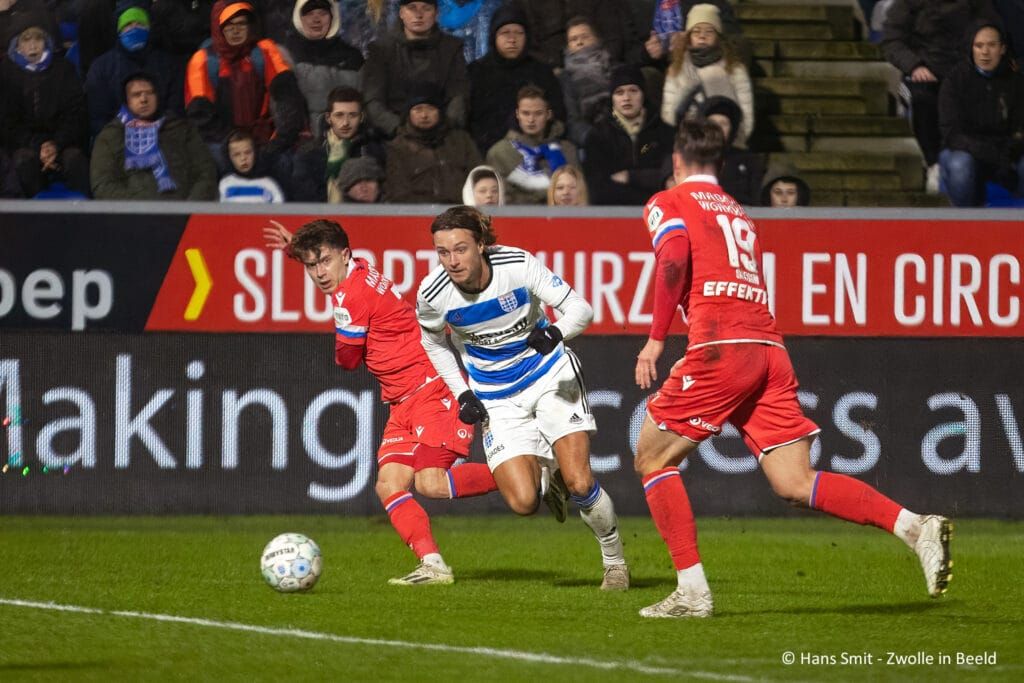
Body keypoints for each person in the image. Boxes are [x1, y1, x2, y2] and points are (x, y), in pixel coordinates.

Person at [632, 120, 953, 618]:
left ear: (677, 161)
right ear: (719, 163)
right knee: (794, 482)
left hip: (723, 346)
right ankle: (913, 526)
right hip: (768, 349)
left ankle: (692, 593)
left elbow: (672, 259)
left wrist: (655, 340)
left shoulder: (668, 201)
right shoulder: (738, 211)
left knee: (652, 459)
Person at [264, 218, 500, 585]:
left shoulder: (351, 297)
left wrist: (342, 327)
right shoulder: (358, 269)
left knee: (431, 482)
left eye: (323, 261)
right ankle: (433, 565)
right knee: (389, 484)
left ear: (344, 255)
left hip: (431, 386)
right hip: (402, 400)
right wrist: (297, 249)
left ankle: (532, 478)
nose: (318, 273)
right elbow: (332, 264)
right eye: (311, 265)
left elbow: (347, 360)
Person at [416, 205, 630, 590]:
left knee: (581, 481)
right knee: (522, 502)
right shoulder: (433, 293)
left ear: (481, 244)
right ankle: (550, 479)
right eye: (443, 252)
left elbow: (581, 310)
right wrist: (462, 391)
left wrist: (556, 333)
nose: (452, 260)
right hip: (497, 398)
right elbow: (432, 344)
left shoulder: (517, 265)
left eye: (460, 249)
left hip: (549, 376)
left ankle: (614, 562)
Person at [881, 0, 1000, 192]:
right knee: (920, 97)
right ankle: (933, 165)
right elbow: (892, 41)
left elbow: (991, 30)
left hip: (965, 71)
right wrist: (915, 66)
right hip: (923, 72)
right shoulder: (906, 4)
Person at [184, 0, 306, 166]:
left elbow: (287, 99)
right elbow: (201, 117)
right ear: (218, 27)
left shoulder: (266, 51)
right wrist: (236, 144)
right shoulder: (202, 61)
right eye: (229, 25)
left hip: (265, 142)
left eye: (241, 24)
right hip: (223, 144)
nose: (236, 31)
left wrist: (276, 143)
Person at [91, 71, 218, 199]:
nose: (144, 99)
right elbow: (103, 184)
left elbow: (206, 173)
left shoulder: (181, 129)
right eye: (136, 95)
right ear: (126, 101)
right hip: (133, 216)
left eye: (149, 93)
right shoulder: (111, 135)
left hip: (184, 212)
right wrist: (137, 210)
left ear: (158, 96)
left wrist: (189, 210)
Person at [938, 20, 1024, 206]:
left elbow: (1020, 127)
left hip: (1007, 153)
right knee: (960, 164)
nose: (985, 52)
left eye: (992, 45)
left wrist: (1009, 151)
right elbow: (952, 133)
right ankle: (964, 222)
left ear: (1002, 49)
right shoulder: (955, 81)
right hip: (967, 151)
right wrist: (986, 152)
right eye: (979, 46)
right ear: (972, 48)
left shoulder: (1017, 82)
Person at [1, 21, 90, 198]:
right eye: (26, 40)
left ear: (47, 42)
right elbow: (7, 122)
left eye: (38, 39)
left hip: (63, 142)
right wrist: (37, 145)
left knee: (75, 160)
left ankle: (84, 217)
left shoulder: (64, 69)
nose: (32, 45)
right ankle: (34, 221)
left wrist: (55, 144)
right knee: (23, 161)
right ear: (17, 45)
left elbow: (76, 114)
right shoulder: (6, 73)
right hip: (26, 144)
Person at [361, 0, 467, 138]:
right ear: (401, 13)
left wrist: (444, 127)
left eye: (426, 8)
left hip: (442, 135)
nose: (419, 14)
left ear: (436, 13)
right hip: (393, 137)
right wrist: (399, 129)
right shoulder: (381, 50)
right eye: (412, 8)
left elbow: (458, 95)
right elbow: (373, 102)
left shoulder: (452, 48)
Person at [467, 5, 565, 154]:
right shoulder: (476, 72)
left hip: (538, 150)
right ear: (494, 37)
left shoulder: (542, 72)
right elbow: (469, 121)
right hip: (489, 152)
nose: (512, 39)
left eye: (518, 33)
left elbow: (558, 114)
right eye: (505, 33)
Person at [85, 1, 184, 139]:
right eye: (127, 25)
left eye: (140, 24)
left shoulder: (168, 63)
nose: (134, 28)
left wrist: (155, 128)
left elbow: (175, 110)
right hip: (118, 140)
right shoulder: (101, 68)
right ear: (118, 30)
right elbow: (99, 118)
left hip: (164, 137)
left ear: (149, 28)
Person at [661, 3, 753, 147]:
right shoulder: (676, 70)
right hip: (688, 146)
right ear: (689, 37)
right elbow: (668, 117)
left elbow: (746, 118)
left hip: (727, 146)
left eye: (709, 31)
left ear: (718, 37)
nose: (702, 36)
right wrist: (685, 89)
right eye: (696, 31)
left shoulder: (735, 70)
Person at [584, 64, 674, 206]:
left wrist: (631, 177)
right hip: (613, 216)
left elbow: (671, 181)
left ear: (643, 94)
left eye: (633, 90)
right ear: (612, 98)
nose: (626, 98)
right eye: (619, 92)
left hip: (661, 214)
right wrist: (648, 186)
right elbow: (598, 190)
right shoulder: (597, 136)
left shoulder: (665, 132)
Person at [383, 82, 481, 203]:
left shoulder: (461, 141)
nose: (424, 115)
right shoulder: (398, 148)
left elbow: (478, 179)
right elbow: (398, 192)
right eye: (418, 109)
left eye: (430, 109)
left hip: (462, 213)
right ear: (408, 113)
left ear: (440, 112)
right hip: (418, 216)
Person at [290, 86, 386, 203]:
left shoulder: (376, 151)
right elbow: (303, 198)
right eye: (339, 115)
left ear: (361, 117)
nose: (345, 123)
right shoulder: (308, 154)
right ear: (328, 117)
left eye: (352, 115)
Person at [486, 85, 578, 204]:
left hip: (562, 219)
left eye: (538, 113)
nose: (531, 120)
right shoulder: (499, 153)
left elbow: (578, 193)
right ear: (517, 114)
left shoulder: (567, 150)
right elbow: (502, 198)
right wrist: (545, 195)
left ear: (548, 115)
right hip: (519, 219)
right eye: (526, 113)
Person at [286, 0, 363, 139]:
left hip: (348, 138)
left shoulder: (353, 56)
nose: (316, 19)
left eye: (322, 13)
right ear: (299, 17)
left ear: (333, 17)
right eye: (309, 13)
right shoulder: (286, 55)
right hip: (301, 141)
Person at [559, 15, 612, 147]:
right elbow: (573, 119)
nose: (579, 42)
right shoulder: (566, 77)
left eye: (585, 37)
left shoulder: (613, 67)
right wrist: (589, 136)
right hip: (587, 135)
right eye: (573, 39)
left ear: (597, 39)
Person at [699, 95, 764, 205]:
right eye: (712, 122)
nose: (717, 128)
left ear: (732, 129)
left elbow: (756, 199)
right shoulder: (689, 157)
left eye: (723, 123)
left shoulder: (748, 160)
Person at [219, 128, 285, 202]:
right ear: (229, 157)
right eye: (237, 154)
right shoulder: (225, 184)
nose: (243, 158)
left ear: (255, 153)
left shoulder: (268, 184)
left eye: (247, 152)